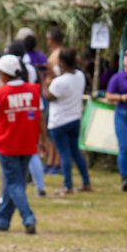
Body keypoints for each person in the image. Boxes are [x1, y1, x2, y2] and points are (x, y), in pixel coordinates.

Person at [0, 54, 44, 233]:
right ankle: (2, 221)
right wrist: (43, 140)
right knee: (17, 181)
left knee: (14, 183)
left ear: (3, 74)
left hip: (7, 145)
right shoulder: (34, 90)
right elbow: (40, 114)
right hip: (28, 143)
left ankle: (28, 218)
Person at [44, 47, 91, 195]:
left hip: (59, 122)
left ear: (62, 62)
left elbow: (48, 96)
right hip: (74, 119)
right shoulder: (80, 76)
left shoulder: (59, 82)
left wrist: (43, 80)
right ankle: (86, 182)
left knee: (64, 154)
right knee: (75, 152)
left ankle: (68, 185)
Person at [104, 48, 127, 191]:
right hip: (123, 114)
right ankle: (124, 177)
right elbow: (109, 95)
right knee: (124, 146)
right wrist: (123, 97)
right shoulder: (118, 78)